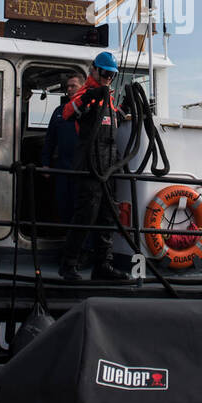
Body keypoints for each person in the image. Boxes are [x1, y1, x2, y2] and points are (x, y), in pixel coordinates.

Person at [58, 53, 128, 282]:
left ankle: (103, 266)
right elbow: (68, 113)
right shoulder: (86, 92)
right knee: (85, 216)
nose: (108, 78)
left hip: (108, 165)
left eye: (112, 74)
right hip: (89, 164)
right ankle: (68, 266)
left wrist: (126, 108)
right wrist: (89, 96)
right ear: (95, 70)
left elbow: (112, 118)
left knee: (108, 217)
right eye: (105, 73)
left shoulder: (109, 97)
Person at [43, 73, 84, 237]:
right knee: (63, 207)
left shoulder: (89, 111)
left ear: (83, 87)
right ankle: (67, 245)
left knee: (80, 210)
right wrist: (45, 163)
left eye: (73, 86)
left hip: (82, 170)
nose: (69, 89)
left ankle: (81, 250)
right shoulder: (59, 112)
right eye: (67, 86)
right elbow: (50, 139)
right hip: (62, 168)